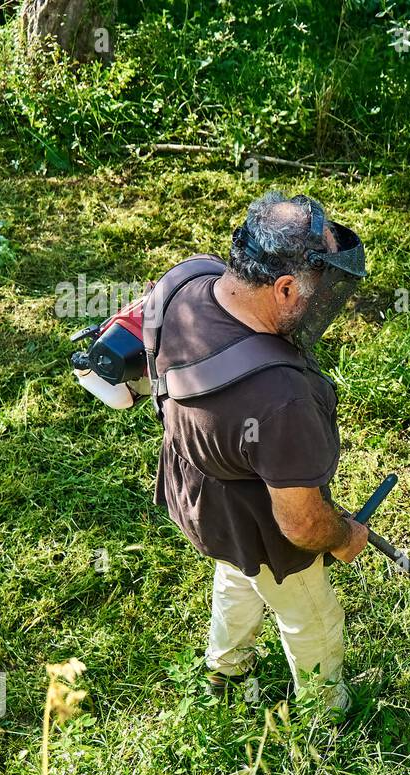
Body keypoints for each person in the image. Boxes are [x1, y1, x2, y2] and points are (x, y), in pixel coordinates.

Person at [151, 190, 369, 711]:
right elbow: (300, 525)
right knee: (313, 619)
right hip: (265, 526)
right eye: (322, 286)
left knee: (236, 575)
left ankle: (225, 669)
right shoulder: (283, 401)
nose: (328, 297)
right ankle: (323, 717)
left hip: (200, 497)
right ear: (286, 287)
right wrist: (343, 536)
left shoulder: (186, 282)